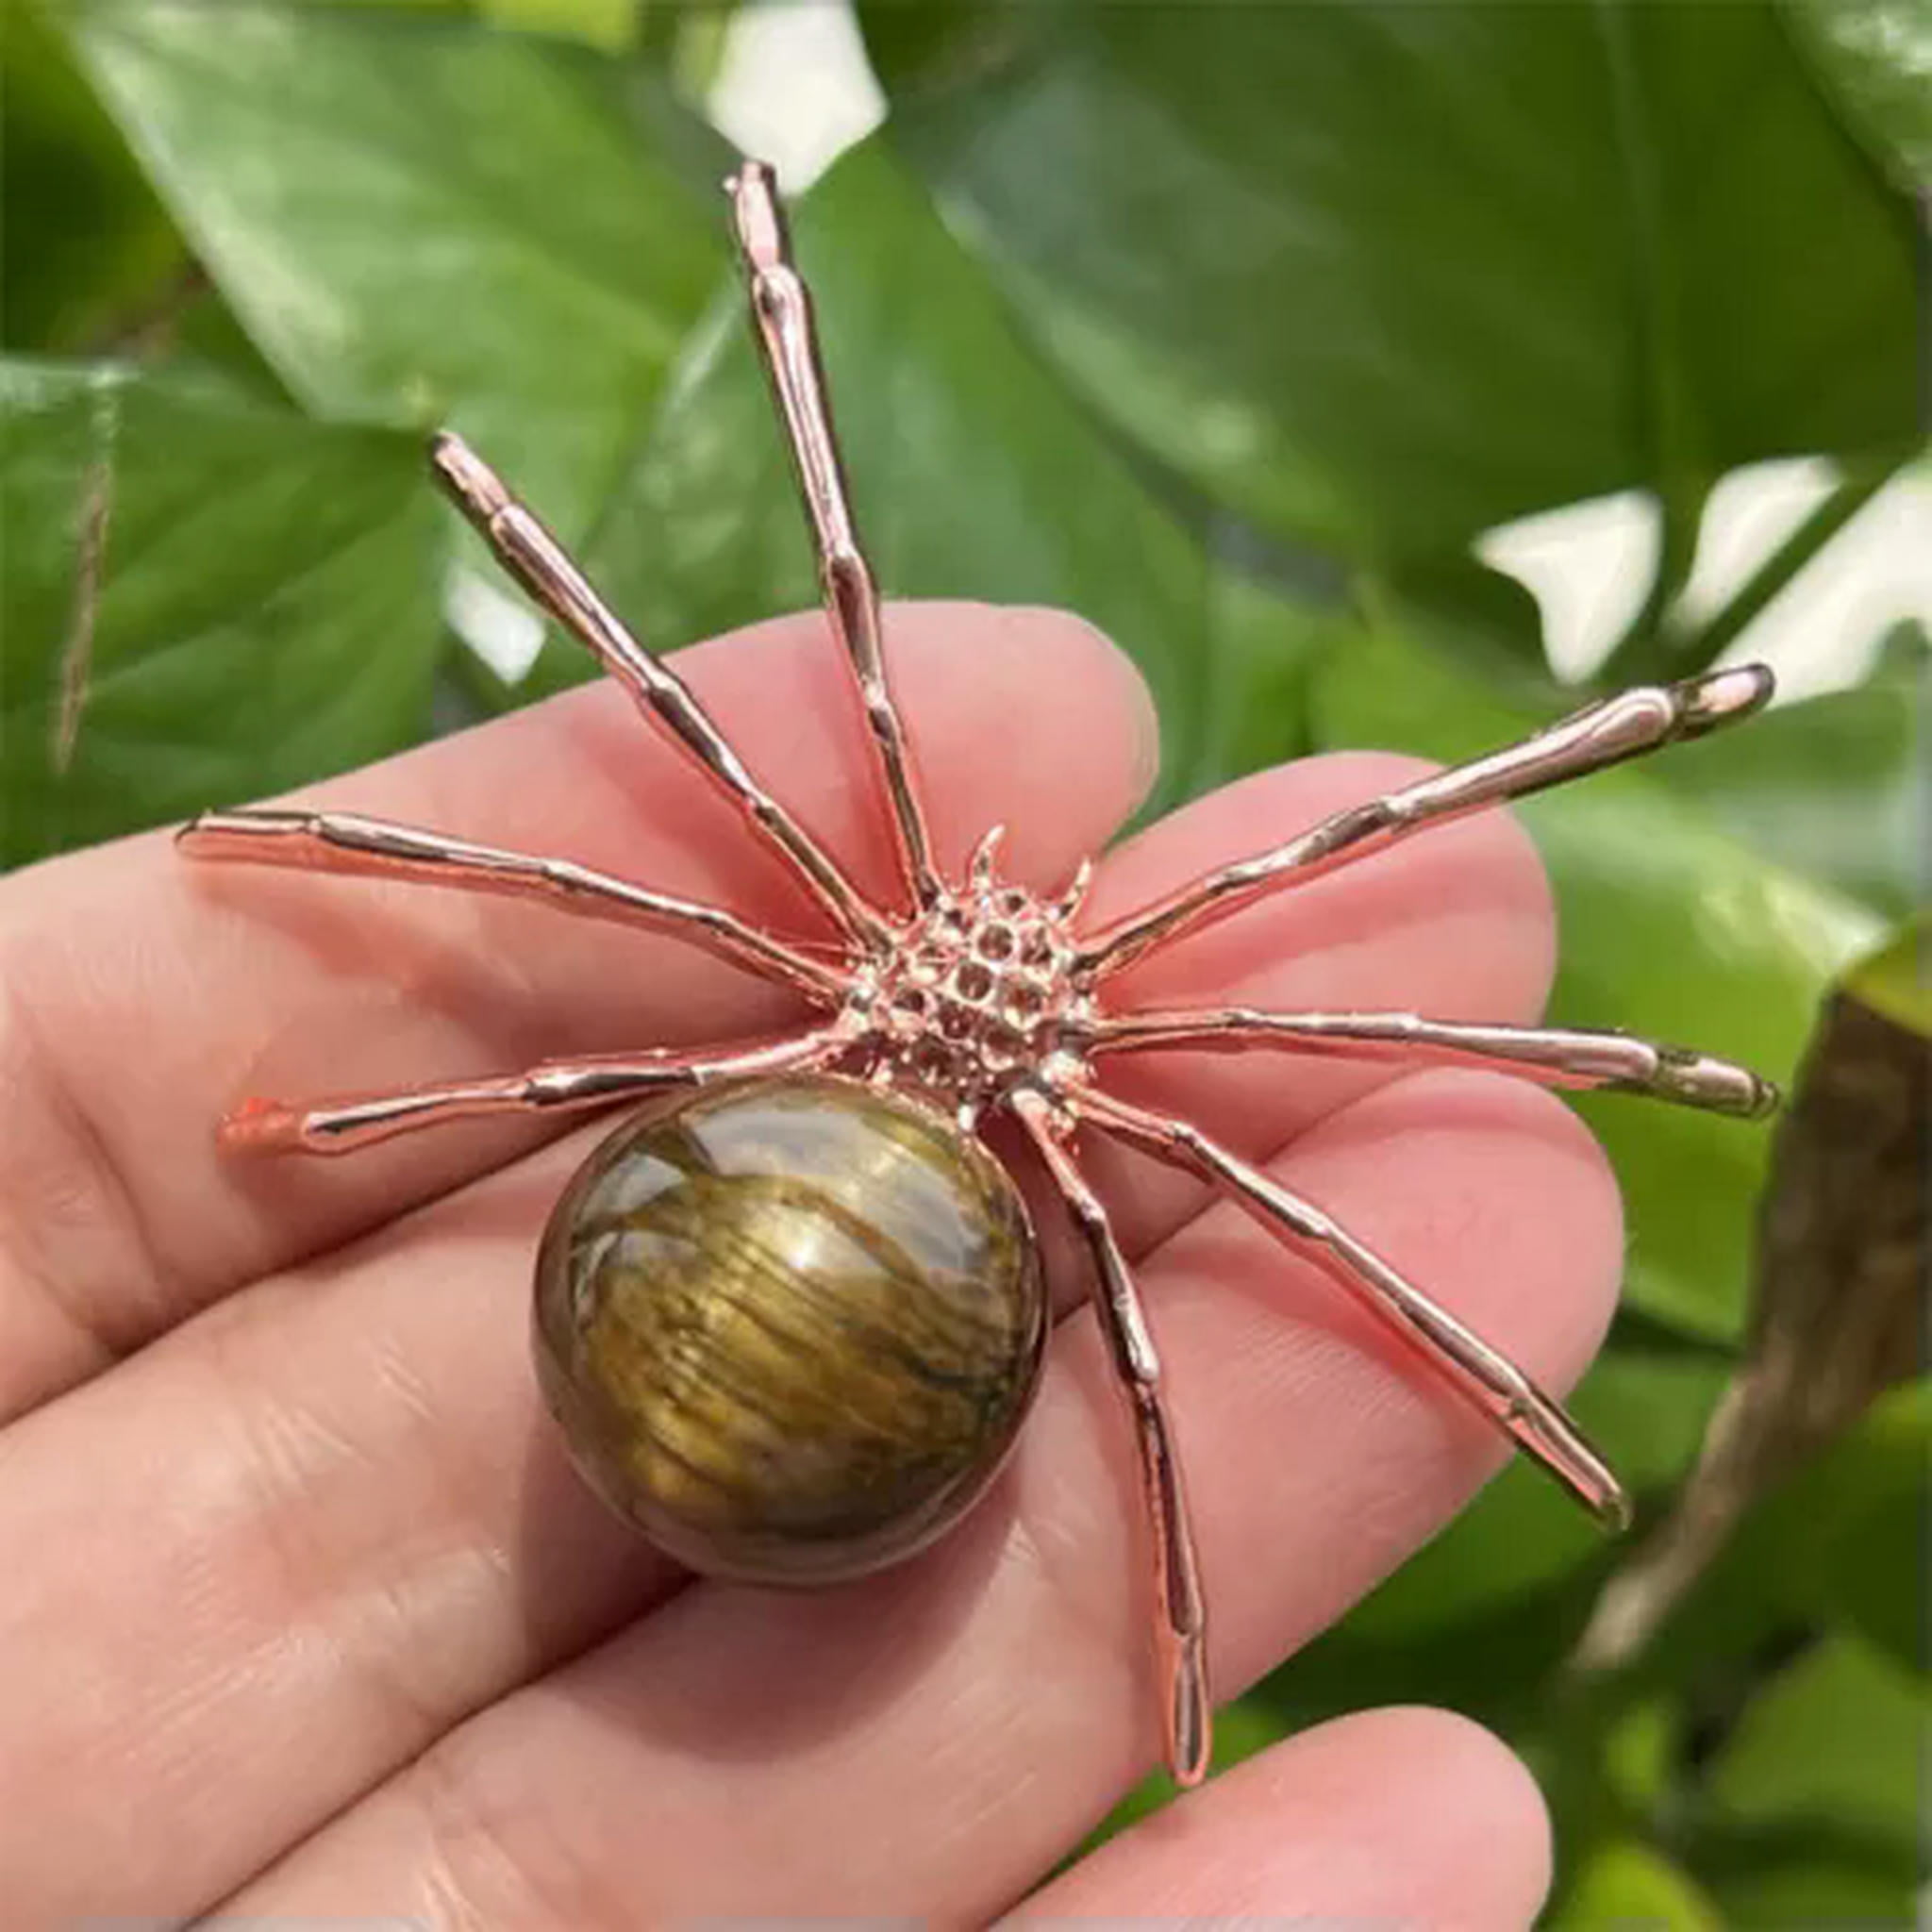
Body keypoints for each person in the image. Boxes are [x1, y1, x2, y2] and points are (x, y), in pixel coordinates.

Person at [0, 603, 1619, 1923]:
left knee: (620, 1057)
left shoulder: (846, 1018)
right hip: (755, 1319)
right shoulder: (1078, 1157)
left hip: (785, 1296)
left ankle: (333, 1122)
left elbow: (577, 928)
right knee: (1130, 1323)